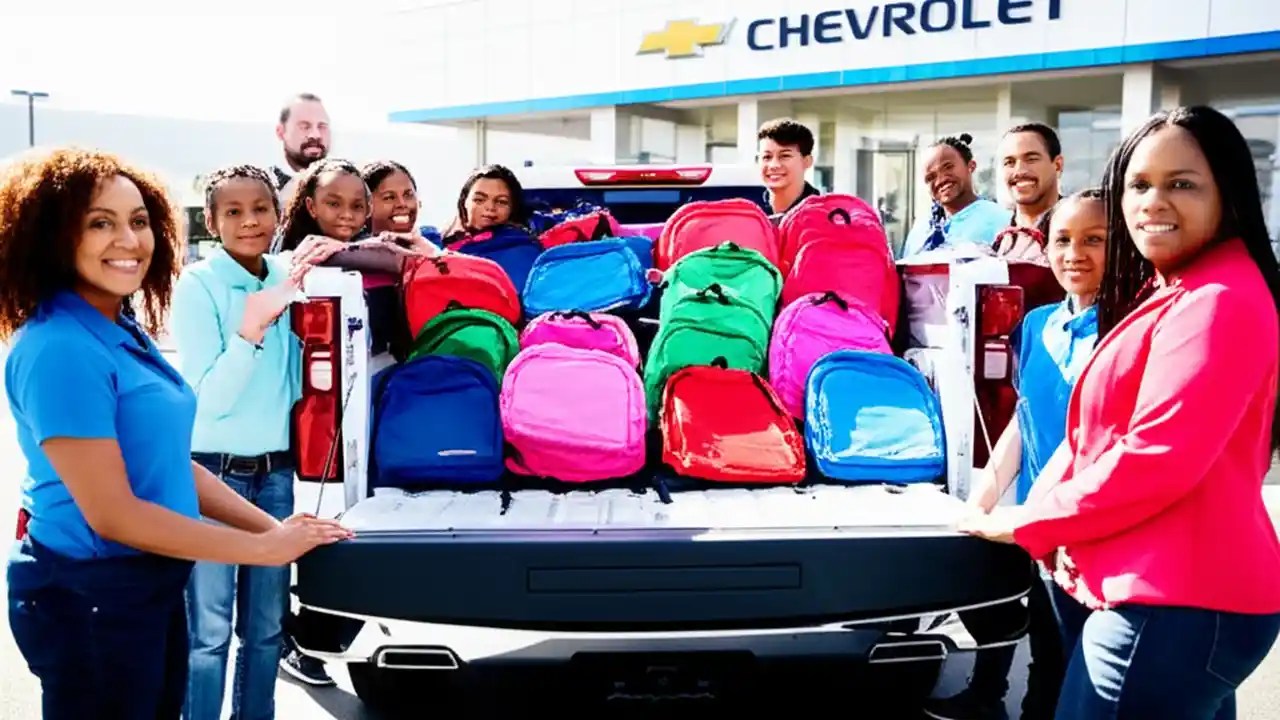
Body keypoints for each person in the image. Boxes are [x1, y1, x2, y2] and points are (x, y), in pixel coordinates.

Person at [0, 147, 351, 720]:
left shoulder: (118, 325)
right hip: (91, 594)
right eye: (100, 223)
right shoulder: (60, 347)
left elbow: (163, 460)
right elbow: (113, 514)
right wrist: (262, 548)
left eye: (138, 220)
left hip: (145, 581)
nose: (130, 240)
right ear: (51, 236)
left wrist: (274, 528)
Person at [961, 105, 1280, 719]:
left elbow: (1155, 459)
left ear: (1229, 191)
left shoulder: (1215, 300)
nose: (1152, 203)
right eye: (1138, 185)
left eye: (1181, 183)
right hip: (1176, 596)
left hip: (1172, 600)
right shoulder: (1181, 289)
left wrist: (1028, 521)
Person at [925, 188, 1106, 720]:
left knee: (1080, 672)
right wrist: (978, 504)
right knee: (1045, 654)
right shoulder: (1037, 323)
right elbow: (1022, 424)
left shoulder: (1126, 330)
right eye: (1063, 240)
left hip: (1086, 529)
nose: (1075, 253)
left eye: (1094, 240)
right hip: (1034, 522)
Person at [170, 164, 301, 720]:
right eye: (233, 211)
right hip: (214, 476)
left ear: (278, 213)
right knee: (209, 631)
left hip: (276, 475)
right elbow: (208, 402)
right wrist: (251, 331)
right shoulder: (197, 286)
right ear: (212, 221)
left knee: (268, 630)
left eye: (261, 209)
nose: (249, 222)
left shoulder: (288, 275)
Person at [901, 133, 1010, 258]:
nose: (941, 180)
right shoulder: (920, 230)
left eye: (948, 167)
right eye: (930, 177)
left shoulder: (1001, 220)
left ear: (971, 166)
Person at [1000, 123, 1064, 235]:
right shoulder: (993, 235)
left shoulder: (1080, 227)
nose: (1019, 171)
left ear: (1057, 165)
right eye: (1010, 162)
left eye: (1031, 159)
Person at [441, 163, 529, 241]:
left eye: (501, 202)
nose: (490, 207)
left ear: (513, 207)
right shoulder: (437, 243)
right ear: (464, 202)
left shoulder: (523, 246)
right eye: (479, 200)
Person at [269, 93, 331, 203]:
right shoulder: (264, 189)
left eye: (322, 126)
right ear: (281, 132)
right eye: (304, 127)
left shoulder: (349, 186)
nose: (316, 135)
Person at [757, 117, 821, 216]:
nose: (774, 165)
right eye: (767, 157)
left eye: (785, 156)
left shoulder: (825, 215)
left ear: (807, 161)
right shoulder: (748, 213)